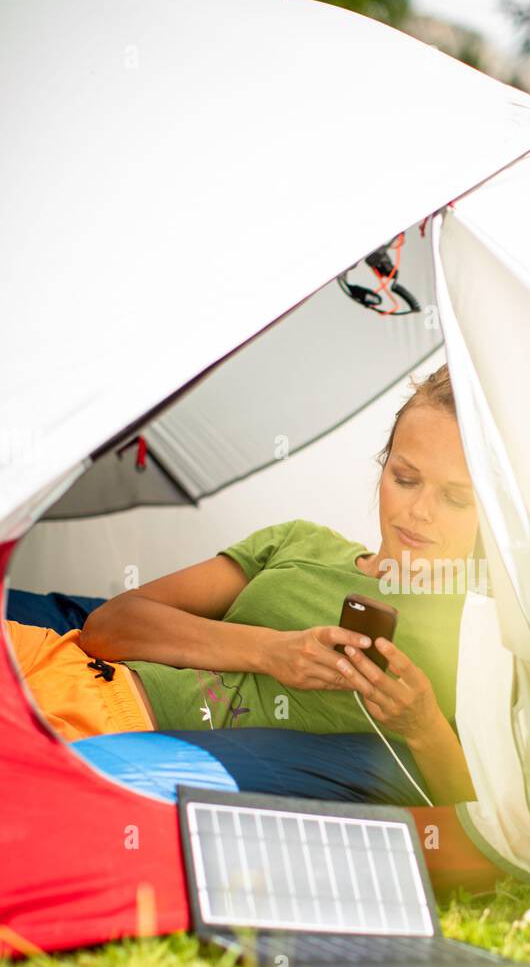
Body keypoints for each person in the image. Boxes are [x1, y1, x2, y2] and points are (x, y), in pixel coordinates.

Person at [5, 364, 503, 893]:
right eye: (404, 478)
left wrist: (423, 724)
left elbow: (490, 828)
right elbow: (110, 624)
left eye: (455, 498)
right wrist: (270, 650)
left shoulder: (480, 634)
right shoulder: (300, 542)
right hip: (50, 656)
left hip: (109, 719)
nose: (419, 511)